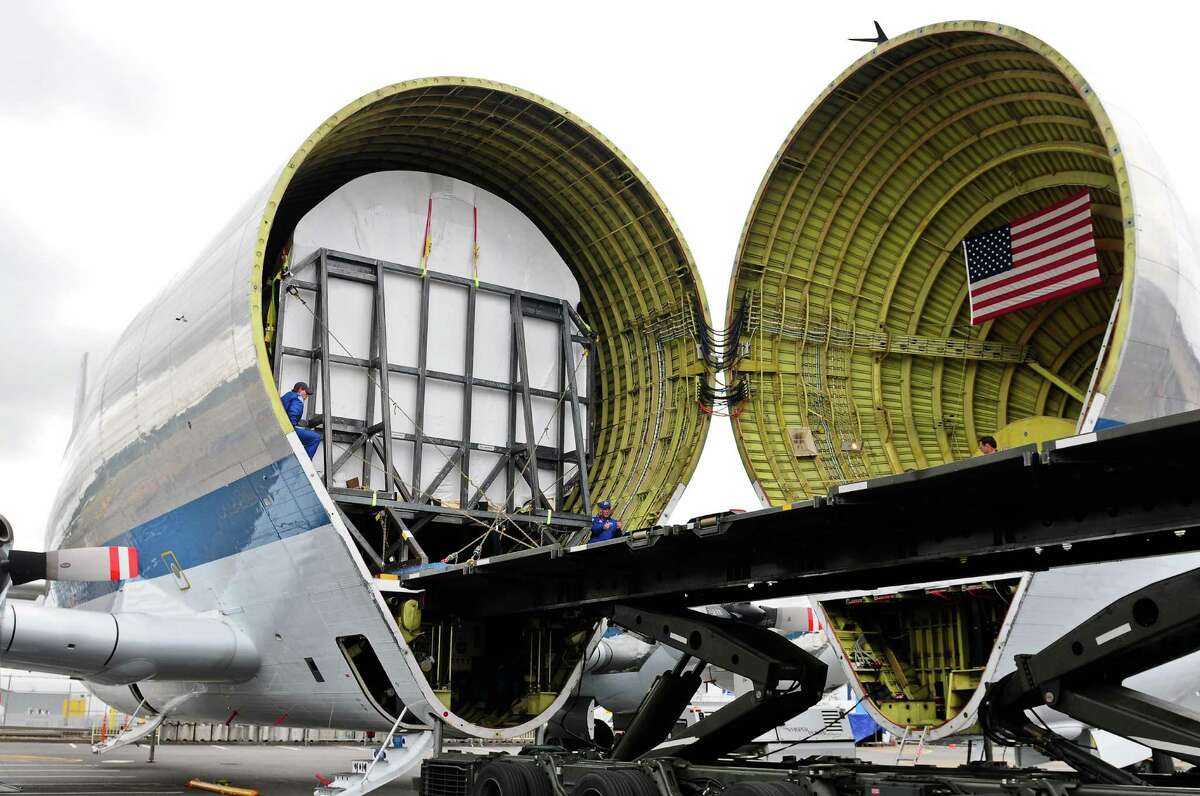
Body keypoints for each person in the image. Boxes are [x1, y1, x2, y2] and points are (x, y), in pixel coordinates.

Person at [281, 382, 321, 459]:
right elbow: (293, 413)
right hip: (287, 428)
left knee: (306, 430)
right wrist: (292, 426)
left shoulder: (288, 395)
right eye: (306, 393)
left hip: (283, 426)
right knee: (315, 438)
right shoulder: (298, 398)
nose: (306, 397)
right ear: (300, 390)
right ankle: (305, 461)